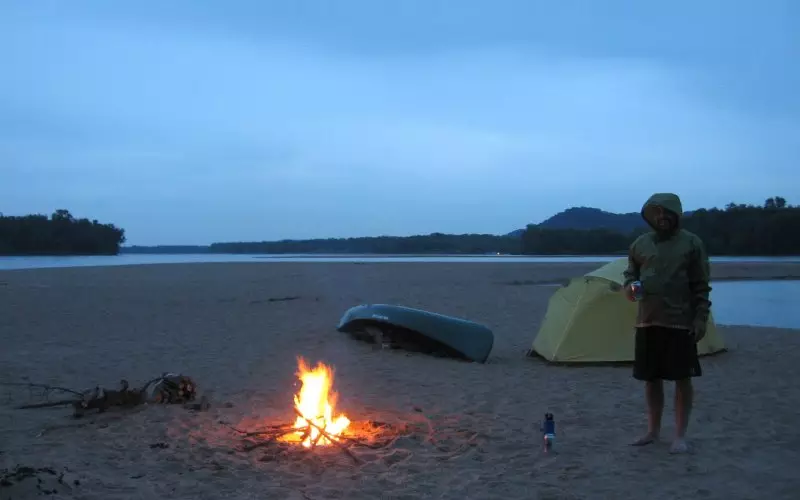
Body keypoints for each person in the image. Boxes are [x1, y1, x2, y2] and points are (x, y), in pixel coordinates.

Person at [622, 193, 712, 454]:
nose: (662, 217)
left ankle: (680, 435)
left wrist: (700, 318)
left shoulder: (692, 243)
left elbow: (701, 286)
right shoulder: (640, 244)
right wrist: (629, 287)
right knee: (652, 379)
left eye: (667, 212)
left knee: (682, 379)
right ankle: (653, 431)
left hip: (680, 322)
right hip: (647, 321)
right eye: (656, 213)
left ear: (676, 214)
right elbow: (630, 275)